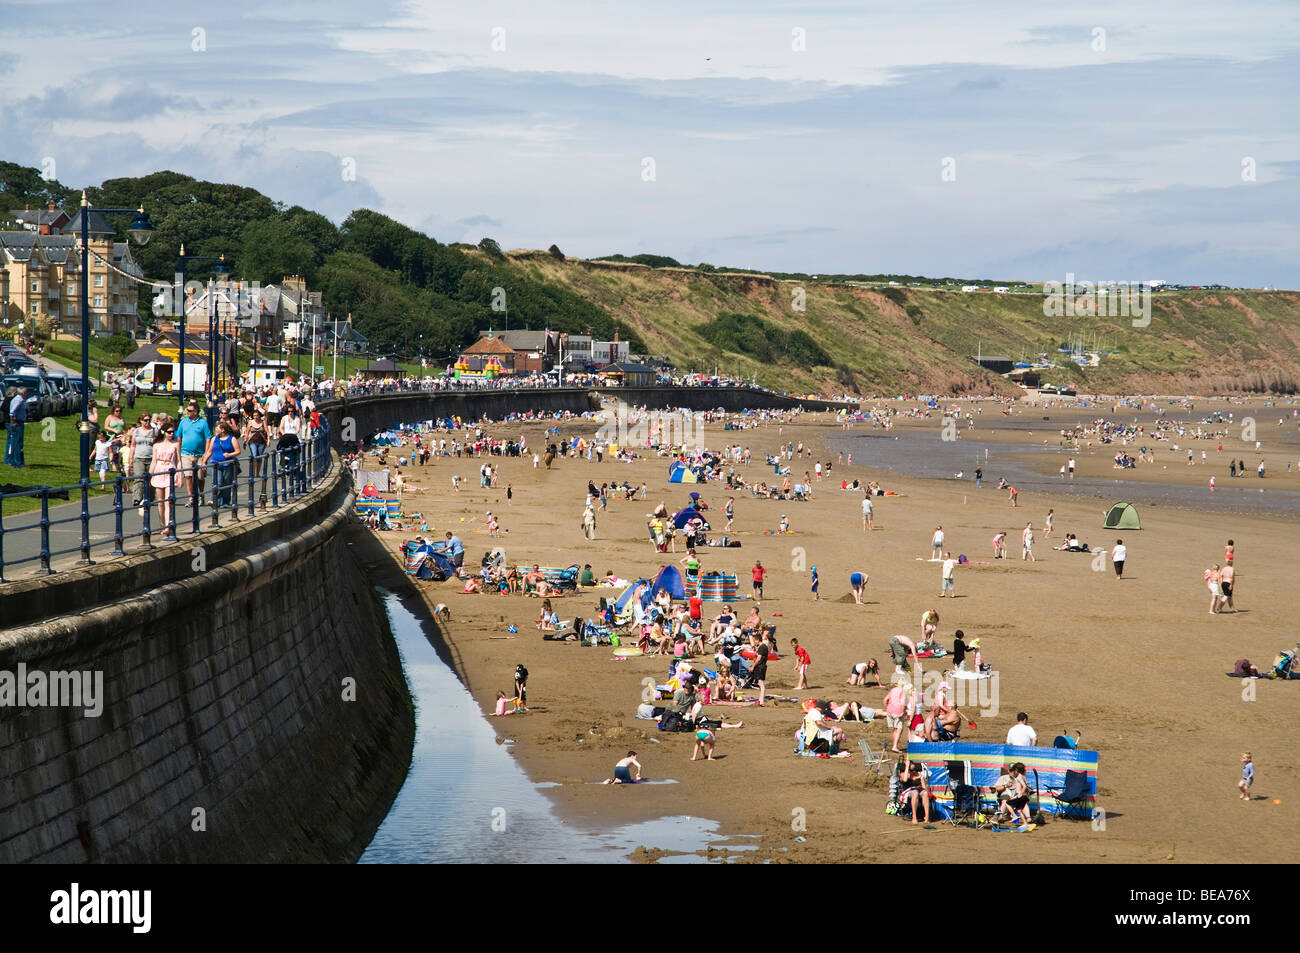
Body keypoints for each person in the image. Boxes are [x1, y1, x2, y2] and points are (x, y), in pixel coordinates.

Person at [176, 401, 213, 508]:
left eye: (190, 411)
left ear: (196, 412)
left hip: (200, 454)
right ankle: (191, 498)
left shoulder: (203, 423)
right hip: (186, 453)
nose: (187, 412)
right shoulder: (183, 422)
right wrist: (178, 454)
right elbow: (179, 438)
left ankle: (201, 495)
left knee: (200, 477)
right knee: (188, 476)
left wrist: (206, 454)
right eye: (187, 410)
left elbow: (208, 438)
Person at [149, 420, 181, 538]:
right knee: (160, 502)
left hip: (170, 471)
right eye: (169, 432)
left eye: (173, 432)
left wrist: (180, 475)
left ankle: (169, 525)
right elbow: (153, 461)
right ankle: (162, 525)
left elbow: (178, 461)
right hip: (159, 470)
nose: (172, 434)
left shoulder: (175, 444)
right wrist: (149, 475)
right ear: (164, 432)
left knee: (168, 501)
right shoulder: (157, 445)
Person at [204, 421, 241, 508]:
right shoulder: (214, 439)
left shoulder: (232, 439)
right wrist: (204, 460)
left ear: (223, 430)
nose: (215, 430)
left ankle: (225, 502)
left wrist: (229, 455)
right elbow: (210, 451)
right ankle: (213, 500)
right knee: (217, 482)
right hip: (215, 464)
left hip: (228, 464)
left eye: (217, 428)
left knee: (227, 484)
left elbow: (238, 451)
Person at [883, 682, 914, 752]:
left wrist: (887, 709)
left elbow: (885, 700)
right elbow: (902, 701)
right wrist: (903, 711)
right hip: (898, 711)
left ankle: (894, 745)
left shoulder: (893, 689)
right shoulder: (903, 691)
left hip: (889, 710)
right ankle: (894, 746)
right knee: (899, 730)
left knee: (895, 729)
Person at [4, 385, 28, 468]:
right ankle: (18, 463)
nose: (26, 394)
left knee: (14, 442)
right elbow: (12, 412)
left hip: (17, 422)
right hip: (17, 423)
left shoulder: (15, 399)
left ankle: (14, 461)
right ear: (23, 393)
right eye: (26, 392)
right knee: (18, 443)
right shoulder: (19, 400)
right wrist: (13, 421)